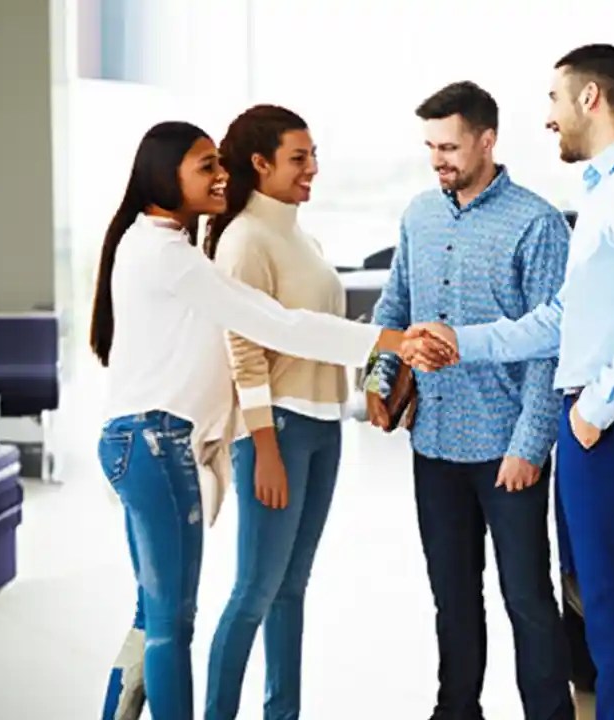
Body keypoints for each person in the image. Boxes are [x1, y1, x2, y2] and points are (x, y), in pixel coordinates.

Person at [90, 120, 441, 720]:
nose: (220, 174)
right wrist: (390, 339)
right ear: (162, 176)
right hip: (154, 442)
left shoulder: (156, 244)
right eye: (205, 167)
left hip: (147, 440)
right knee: (173, 622)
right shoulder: (170, 255)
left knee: (156, 614)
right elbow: (275, 326)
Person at [410, 45, 614, 720]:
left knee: (609, 605)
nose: (548, 118)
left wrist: (593, 412)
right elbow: (565, 319)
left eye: (553, 100)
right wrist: (465, 344)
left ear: (591, 99)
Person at [367, 81, 575, 720]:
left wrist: (529, 445)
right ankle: (456, 711)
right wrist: (382, 380)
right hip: (433, 443)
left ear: (487, 140)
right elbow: (394, 308)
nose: (439, 159)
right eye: (431, 146)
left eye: (451, 146)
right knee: (452, 598)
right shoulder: (418, 216)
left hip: (506, 450)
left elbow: (552, 344)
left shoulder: (537, 223)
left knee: (527, 600)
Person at [199, 104, 353, 720]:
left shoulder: (300, 234)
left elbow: (324, 331)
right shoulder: (243, 240)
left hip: (322, 426)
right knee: (255, 591)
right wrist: (262, 447)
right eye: (299, 157)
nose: (312, 168)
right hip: (278, 432)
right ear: (259, 164)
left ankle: (281, 714)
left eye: (314, 155)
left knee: (291, 589)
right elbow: (244, 354)